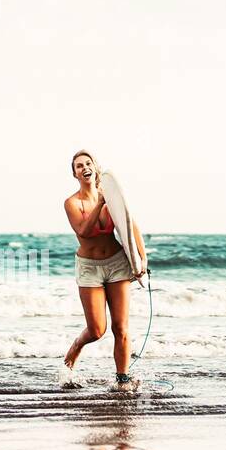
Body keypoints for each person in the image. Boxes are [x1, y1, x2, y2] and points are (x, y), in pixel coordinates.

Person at [62, 150, 147, 389]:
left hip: (117, 264)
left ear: (95, 167)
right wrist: (99, 203)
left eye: (88, 163)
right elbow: (84, 232)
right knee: (97, 330)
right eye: (79, 166)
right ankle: (77, 346)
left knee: (121, 327)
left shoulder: (111, 197)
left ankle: (122, 379)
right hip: (90, 268)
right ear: (75, 173)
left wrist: (142, 260)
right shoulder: (72, 203)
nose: (84, 168)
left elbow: (131, 228)